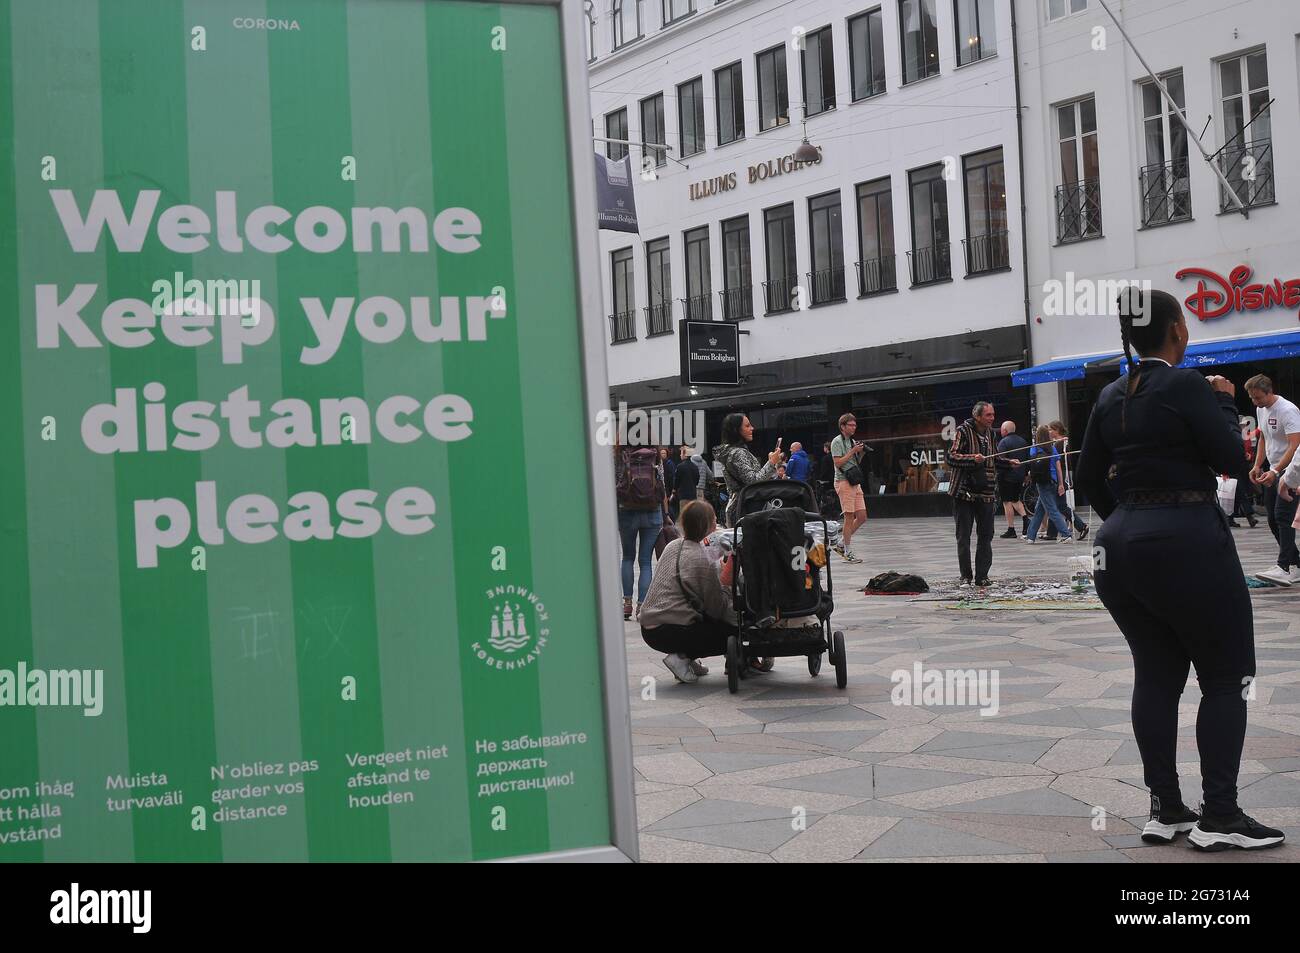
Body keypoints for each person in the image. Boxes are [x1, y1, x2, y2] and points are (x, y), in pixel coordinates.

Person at [1075, 287, 1283, 851]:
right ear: (1176, 332)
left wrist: (1130, 521)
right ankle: (1220, 814)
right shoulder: (1187, 385)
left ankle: (1165, 807)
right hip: (1189, 539)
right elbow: (1231, 463)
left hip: (1118, 551)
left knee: (1156, 671)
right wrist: (1220, 401)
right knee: (1225, 676)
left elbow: (1089, 480)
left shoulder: (1110, 395)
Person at [639, 501, 734, 684]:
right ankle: (682, 657)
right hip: (670, 629)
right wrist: (726, 582)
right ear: (709, 526)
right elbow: (717, 608)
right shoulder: (702, 558)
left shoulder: (673, 545)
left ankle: (688, 657)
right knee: (730, 633)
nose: (717, 524)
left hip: (648, 627)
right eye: (714, 520)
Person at [1244, 375, 1300, 585]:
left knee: (1283, 517)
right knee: (1272, 519)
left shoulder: (1287, 410)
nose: (1255, 402)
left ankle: (1285, 566)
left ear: (1269, 391)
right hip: (1273, 470)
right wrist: (1258, 465)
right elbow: (1264, 437)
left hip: (1290, 472)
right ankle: (1296, 563)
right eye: (1252, 398)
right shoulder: (1261, 410)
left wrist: (1277, 471)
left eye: (1258, 397)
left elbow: (1295, 445)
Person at [947, 401, 999, 586]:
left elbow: (995, 459)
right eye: (988, 415)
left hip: (985, 493)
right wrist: (972, 458)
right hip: (964, 493)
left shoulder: (991, 434)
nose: (992, 418)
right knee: (964, 536)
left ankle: (982, 576)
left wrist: (1010, 463)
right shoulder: (963, 430)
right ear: (977, 416)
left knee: (986, 535)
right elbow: (951, 456)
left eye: (993, 415)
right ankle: (966, 576)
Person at [615, 442, 666, 620]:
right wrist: (666, 514)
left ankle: (627, 604)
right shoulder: (655, 454)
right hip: (652, 511)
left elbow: (614, 485)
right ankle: (642, 606)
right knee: (645, 561)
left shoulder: (619, 454)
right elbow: (662, 485)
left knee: (628, 557)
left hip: (626, 510)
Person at [713, 413, 781, 529]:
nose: (752, 428)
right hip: (746, 508)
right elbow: (753, 481)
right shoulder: (738, 453)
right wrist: (771, 463)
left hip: (740, 506)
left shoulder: (731, 452)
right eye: (747, 426)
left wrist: (770, 462)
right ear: (736, 430)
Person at [1024, 424, 1073, 543]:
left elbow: (1032, 467)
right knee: (1039, 509)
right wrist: (1061, 484)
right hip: (1053, 481)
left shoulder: (1034, 449)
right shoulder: (1052, 448)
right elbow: (1058, 468)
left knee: (1051, 510)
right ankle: (1031, 536)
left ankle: (1066, 534)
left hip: (1042, 483)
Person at [829, 413, 868, 563]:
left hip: (854, 481)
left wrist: (861, 453)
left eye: (855, 425)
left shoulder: (851, 440)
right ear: (842, 426)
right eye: (851, 425)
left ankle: (840, 543)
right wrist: (852, 451)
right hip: (843, 481)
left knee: (862, 516)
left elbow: (854, 462)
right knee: (849, 516)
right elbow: (838, 463)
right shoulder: (836, 442)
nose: (854, 427)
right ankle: (847, 550)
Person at [1043, 421, 1089, 541]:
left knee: (1060, 505)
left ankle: (1081, 526)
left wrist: (1061, 482)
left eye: (1050, 429)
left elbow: (1057, 463)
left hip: (1061, 474)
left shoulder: (1059, 444)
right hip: (1064, 473)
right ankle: (1051, 533)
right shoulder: (1062, 442)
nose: (1049, 432)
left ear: (1057, 430)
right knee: (1056, 504)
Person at [995, 420, 1029, 539]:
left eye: (1001, 430)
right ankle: (1025, 519)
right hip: (1019, 475)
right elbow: (1026, 459)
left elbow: (1000, 460)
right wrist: (1025, 474)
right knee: (1016, 499)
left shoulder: (1003, 442)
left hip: (1006, 476)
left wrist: (998, 473)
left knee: (1007, 502)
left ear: (1004, 430)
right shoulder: (1023, 441)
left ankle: (1011, 528)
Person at [1228, 419, 1260, 528]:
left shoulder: (1247, 436)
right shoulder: (1232, 435)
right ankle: (1249, 515)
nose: (1244, 427)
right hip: (1232, 468)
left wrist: (1250, 456)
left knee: (1237, 493)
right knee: (1240, 492)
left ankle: (1229, 518)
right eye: (1242, 425)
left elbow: (1251, 450)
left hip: (1243, 467)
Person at [671, 445, 700, 520]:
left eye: (681, 453)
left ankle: (685, 531)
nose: (680, 455)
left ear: (685, 455)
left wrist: (674, 490)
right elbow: (697, 480)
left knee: (684, 516)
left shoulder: (680, 466)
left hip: (683, 495)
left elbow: (677, 481)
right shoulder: (695, 467)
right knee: (692, 515)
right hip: (693, 494)